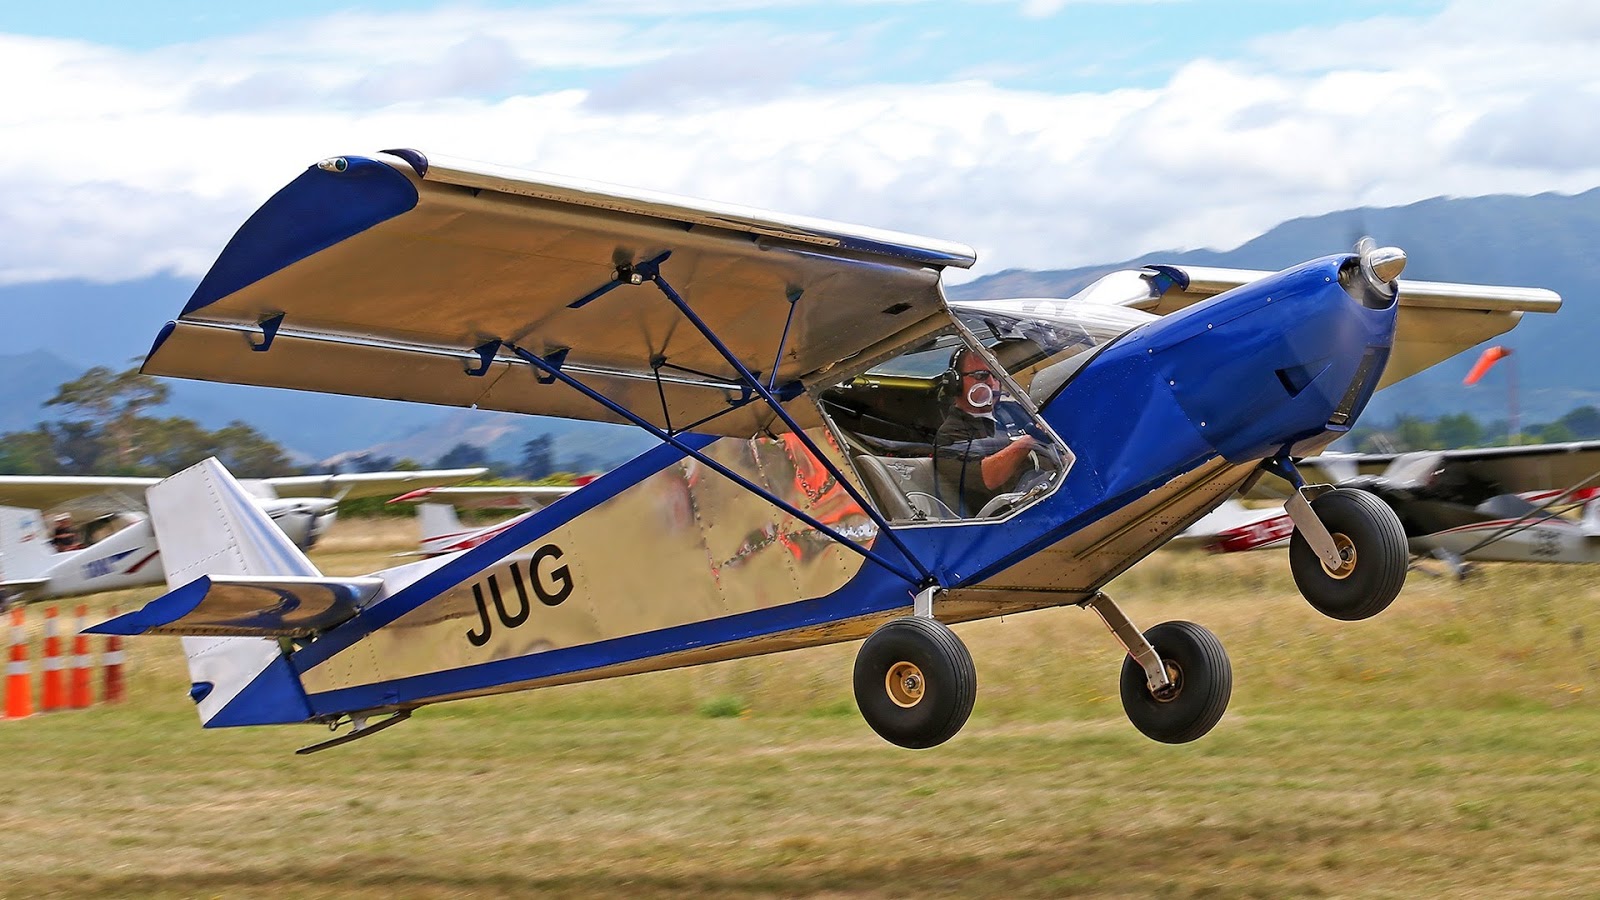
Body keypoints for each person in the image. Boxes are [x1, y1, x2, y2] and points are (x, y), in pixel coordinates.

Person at [933, 347, 1041, 516]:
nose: (991, 383)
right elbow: (988, 479)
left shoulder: (1013, 410)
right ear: (956, 383)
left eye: (996, 375)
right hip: (1012, 515)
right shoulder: (949, 434)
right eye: (981, 376)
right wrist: (1027, 442)